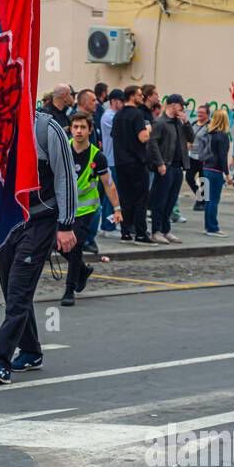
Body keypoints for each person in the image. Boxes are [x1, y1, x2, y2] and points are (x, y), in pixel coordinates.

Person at [0, 111, 76, 384]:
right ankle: (31, 351)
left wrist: (66, 224)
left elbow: (65, 177)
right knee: (12, 292)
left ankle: (0, 361)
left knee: (19, 292)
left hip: (40, 222)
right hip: (8, 223)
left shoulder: (47, 129)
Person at [61, 112, 121, 305]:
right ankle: (83, 270)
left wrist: (117, 209)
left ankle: (69, 291)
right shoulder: (62, 150)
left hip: (85, 210)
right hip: (62, 209)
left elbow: (108, 184)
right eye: (75, 127)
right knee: (54, 244)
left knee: (75, 246)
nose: (78, 131)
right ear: (70, 129)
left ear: (89, 130)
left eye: (83, 127)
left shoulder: (98, 157)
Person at [146, 93, 193, 244]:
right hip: (166, 166)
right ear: (173, 105)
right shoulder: (160, 122)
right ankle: (156, 230)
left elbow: (191, 138)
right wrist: (160, 164)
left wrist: (186, 122)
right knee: (160, 200)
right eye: (181, 105)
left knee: (171, 201)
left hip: (178, 166)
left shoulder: (179, 122)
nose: (183, 108)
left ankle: (166, 230)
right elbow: (152, 144)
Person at [111, 85, 154, 243]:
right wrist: (148, 128)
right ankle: (141, 233)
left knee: (125, 199)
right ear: (131, 96)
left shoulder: (118, 115)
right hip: (136, 162)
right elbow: (143, 138)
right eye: (139, 95)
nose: (142, 97)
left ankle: (125, 232)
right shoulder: (136, 114)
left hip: (120, 163)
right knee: (140, 199)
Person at [98, 88, 125, 238]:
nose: (123, 104)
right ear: (114, 101)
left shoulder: (114, 116)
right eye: (121, 101)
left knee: (114, 194)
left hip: (116, 160)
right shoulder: (109, 117)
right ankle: (108, 226)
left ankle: (112, 222)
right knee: (111, 195)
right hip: (111, 160)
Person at [202, 109, 231, 236]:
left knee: (208, 199)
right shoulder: (223, 135)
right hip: (216, 170)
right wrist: (227, 174)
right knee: (214, 199)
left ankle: (208, 226)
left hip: (206, 168)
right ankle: (213, 228)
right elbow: (223, 156)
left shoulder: (209, 133)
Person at [187, 104, 210, 210]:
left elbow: (211, 141)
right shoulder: (193, 124)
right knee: (189, 178)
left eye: (202, 112)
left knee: (202, 180)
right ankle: (200, 198)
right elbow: (188, 136)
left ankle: (203, 202)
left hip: (203, 157)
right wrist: (187, 143)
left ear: (207, 114)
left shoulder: (210, 126)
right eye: (199, 112)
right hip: (192, 156)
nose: (199, 114)